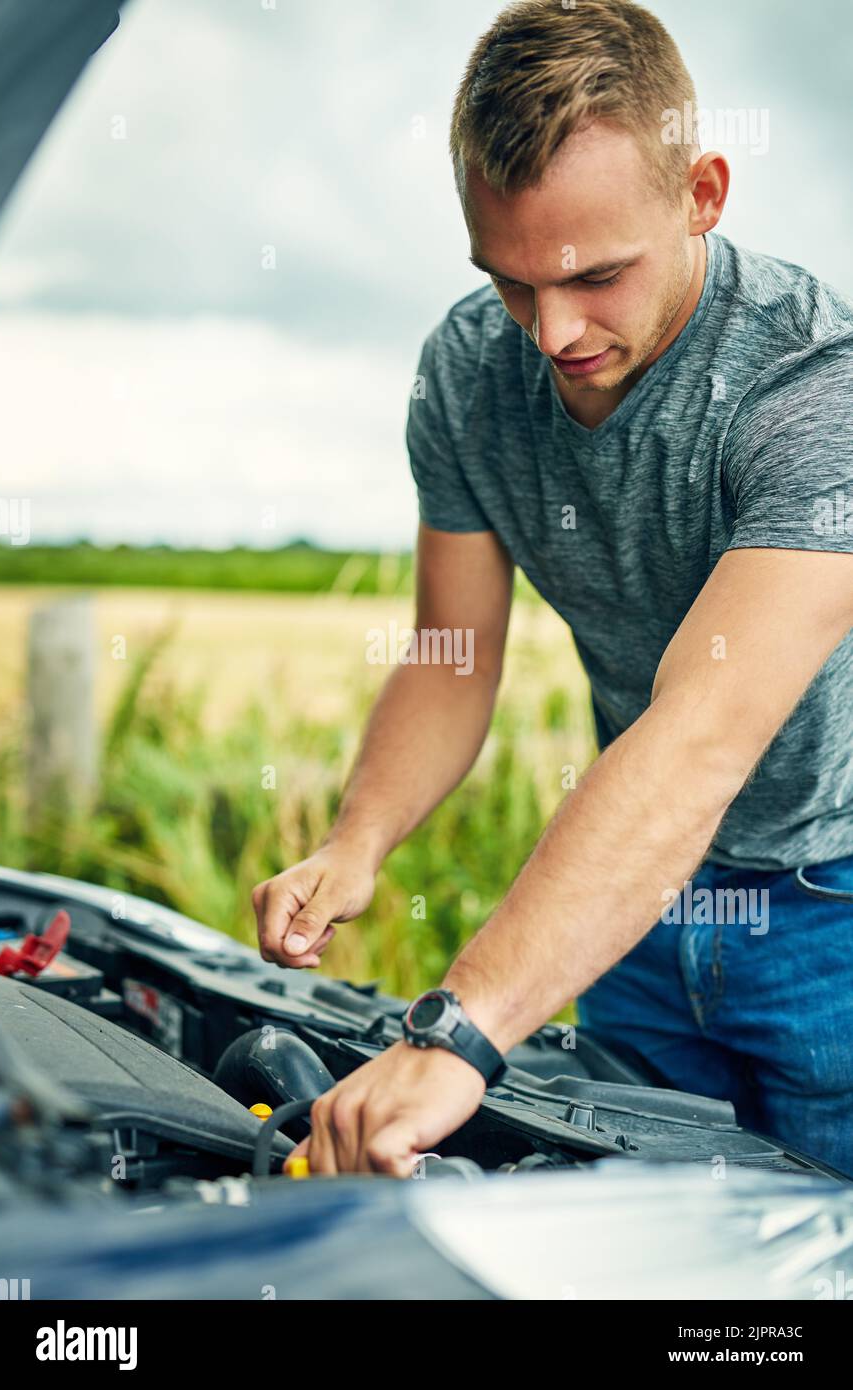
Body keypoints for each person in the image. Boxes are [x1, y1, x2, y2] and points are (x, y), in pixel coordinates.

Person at [253, 0, 853, 1177]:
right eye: (512, 280)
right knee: (639, 1261)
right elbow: (453, 655)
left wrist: (460, 1029)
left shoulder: (810, 388)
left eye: (595, 276)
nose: (551, 331)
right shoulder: (470, 370)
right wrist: (359, 838)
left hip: (831, 912)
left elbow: (702, 736)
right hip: (623, 902)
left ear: (704, 194)